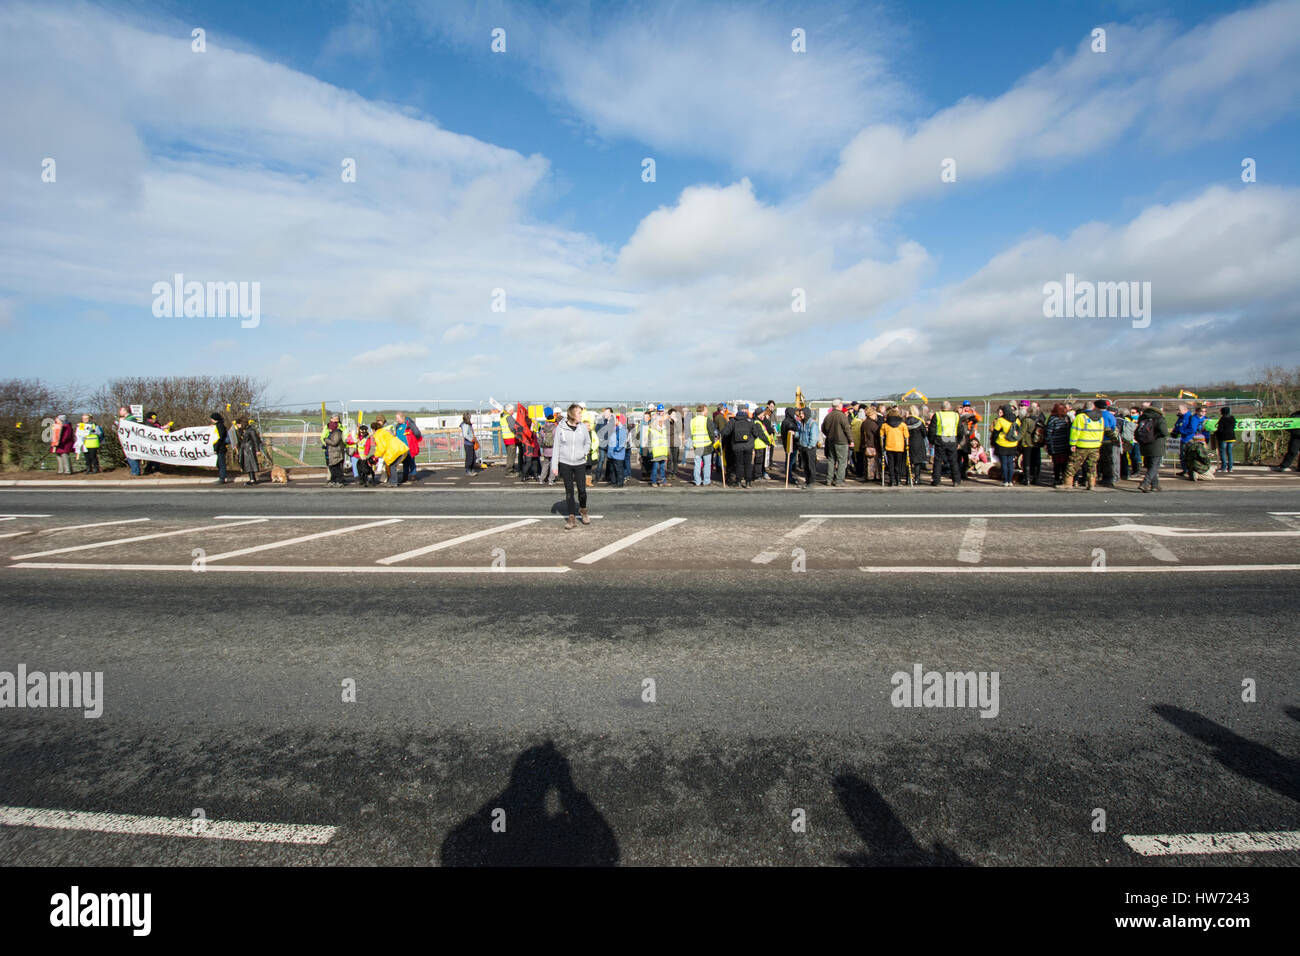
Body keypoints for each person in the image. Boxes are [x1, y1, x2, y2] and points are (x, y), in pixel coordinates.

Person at [551, 404, 593, 529]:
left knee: (582, 491)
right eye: (579, 413)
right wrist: (555, 465)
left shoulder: (583, 428)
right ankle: (571, 517)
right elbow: (556, 447)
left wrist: (584, 453)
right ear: (572, 415)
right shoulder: (561, 428)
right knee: (569, 491)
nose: (581, 415)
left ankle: (583, 510)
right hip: (565, 463)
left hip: (580, 462)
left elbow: (588, 442)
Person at [1058, 402, 1105, 490]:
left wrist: (1073, 443)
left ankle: (1067, 484)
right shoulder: (1100, 418)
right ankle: (1091, 484)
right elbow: (1101, 431)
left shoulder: (1081, 417)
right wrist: (1099, 443)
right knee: (1092, 466)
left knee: (1072, 465)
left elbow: (1075, 431)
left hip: (1082, 445)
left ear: (1084, 407)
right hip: (1095, 445)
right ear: (1093, 407)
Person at [721, 403, 758, 488]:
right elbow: (756, 433)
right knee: (748, 464)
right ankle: (748, 482)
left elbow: (725, 432)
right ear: (745, 411)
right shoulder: (750, 421)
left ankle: (738, 481)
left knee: (739, 464)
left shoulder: (733, 421)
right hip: (748, 445)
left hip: (737, 446)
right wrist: (751, 440)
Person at [1134, 403, 1168, 492]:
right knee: (1155, 466)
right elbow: (1164, 432)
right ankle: (1145, 483)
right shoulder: (1159, 418)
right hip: (1157, 445)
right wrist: (1156, 436)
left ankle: (1155, 485)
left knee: (1150, 466)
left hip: (1144, 444)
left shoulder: (1142, 417)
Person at [929, 401, 961, 486]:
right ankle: (956, 481)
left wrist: (931, 441)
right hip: (952, 438)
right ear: (949, 407)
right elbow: (960, 429)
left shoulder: (938, 415)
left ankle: (936, 480)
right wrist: (959, 441)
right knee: (953, 461)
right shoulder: (955, 415)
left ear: (941, 408)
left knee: (938, 461)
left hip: (940, 438)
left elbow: (932, 429)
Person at [821, 400, 852, 486]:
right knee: (842, 462)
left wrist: (828, 435)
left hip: (831, 441)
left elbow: (823, 428)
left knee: (831, 460)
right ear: (838, 406)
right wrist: (851, 440)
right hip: (842, 441)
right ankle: (839, 481)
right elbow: (847, 429)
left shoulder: (828, 416)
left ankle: (829, 480)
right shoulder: (842, 416)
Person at [989, 405, 1021, 487]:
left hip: (1002, 444)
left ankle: (1005, 480)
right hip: (1013, 444)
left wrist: (993, 442)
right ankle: (1010, 481)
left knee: (1004, 463)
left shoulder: (1001, 420)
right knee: (1010, 463)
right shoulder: (1017, 420)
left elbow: (995, 432)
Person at [371, 419, 409, 487]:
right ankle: (392, 481)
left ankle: (393, 482)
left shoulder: (378, 435)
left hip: (395, 451)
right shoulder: (383, 431)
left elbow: (382, 447)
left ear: (374, 429)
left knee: (392, 466)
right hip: (400, 448)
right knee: (391, 465)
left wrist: (376, 456)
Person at [879, 407, 909, 487]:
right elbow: (906, 436)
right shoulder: (902, 425)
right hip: (899, 447)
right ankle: (898, 480)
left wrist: (882, 445)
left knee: (891, 464)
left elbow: (881, 435)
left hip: (889, 446)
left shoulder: (885, 425)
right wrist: (907, 444)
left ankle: (891, 480)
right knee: (898, 464)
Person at [1044, 404, 1072, 486]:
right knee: (1064, 463)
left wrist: (1047, 443)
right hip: (1065, 443)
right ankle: (1064, 478)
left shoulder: (1053, 419)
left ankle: (1057, 479)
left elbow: (1049, 432)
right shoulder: (1067, 418)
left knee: (1057, 463)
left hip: (1055, 444)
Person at [690, 404, 717, 486]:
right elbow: (711, 433)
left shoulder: (693, 420)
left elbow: (691, 433)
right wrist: (713, 442)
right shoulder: (706, 420)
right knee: (707, 464)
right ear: (702, 411)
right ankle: (706, 481)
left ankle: (697, 481)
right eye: (706, 410)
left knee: (697, 464)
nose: (707, 411)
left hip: (697, 445)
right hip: (706, 445)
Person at [1018, 403, 1045, 485]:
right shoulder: (1040, 420)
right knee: (1036, 461)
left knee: (1027, 461)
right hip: (1036, 443)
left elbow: (1022, 432)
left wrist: (1016, 441)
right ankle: (1036, 478)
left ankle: (1027, 479)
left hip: (1027, 443)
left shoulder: (1027, 420)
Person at [797, 406, 819, 489]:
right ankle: (807, 480)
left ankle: (811, 481)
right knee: (805, 465)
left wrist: (810, 446)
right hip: (803, 446)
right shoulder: (803, 423)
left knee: (811, 465)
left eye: (802, 413)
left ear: (806, 414)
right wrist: (794, 434)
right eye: (800, 413)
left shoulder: (812, 423)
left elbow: (814, 436)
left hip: (809, 448)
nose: (801, 415)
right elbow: (800, 434)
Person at [904, 405, 927, 484]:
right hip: (918, 443)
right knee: (917, 463)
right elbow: (924, 433)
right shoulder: (919, 421)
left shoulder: (905, 422)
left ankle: (908, 479)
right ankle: (917, 479)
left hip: (908, 443)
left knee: (908, 462)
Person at [237, 417, 264, 484]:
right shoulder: (242, 430)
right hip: (244, 448)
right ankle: (252, 479)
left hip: (249, 449)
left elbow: (255, 440)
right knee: (246, 464)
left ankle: (252, 479)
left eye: (239, 424)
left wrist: (257, 450)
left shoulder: (251, 430)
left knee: (250, 464)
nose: (238, 425)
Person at [648, 409, 670, 486]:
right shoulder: (652, 430)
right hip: (656, 452)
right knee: (655, 468)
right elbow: (650, 441)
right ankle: (653, 481)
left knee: (663, 468)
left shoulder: (664, 429)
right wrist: (651, 451)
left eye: (662, 420)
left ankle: (662, 481)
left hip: (663, 452)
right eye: (660, 421)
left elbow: (665, 441)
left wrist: (667, 451)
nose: (661, 422)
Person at [323, 416, 346, 486]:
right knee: (332, 468)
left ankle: (339, 481)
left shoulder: (337, 432)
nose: (329, 429)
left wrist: (326, 440)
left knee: (336, 468)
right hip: (331, 452)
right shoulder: (332, 432)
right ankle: (333, 481)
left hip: (336, 453)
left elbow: (334, 442)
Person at [607, 413, 629, 487]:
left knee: (619, 469)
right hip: (612, 453)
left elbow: (622, 442)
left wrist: (616, 449)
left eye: (616, 419)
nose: (614, 420)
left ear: (619, 420)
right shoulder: (615, 428)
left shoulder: (622, 429)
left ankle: (620, 483)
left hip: (618, 453)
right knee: (613, 469)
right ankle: (614, 481)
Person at [1213, 406, 1237, 474]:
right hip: (1231, 437)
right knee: (1229, 452)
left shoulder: (1222, 419)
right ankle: (1230, 467)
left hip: (1223, 437)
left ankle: (1224, 467)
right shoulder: (1232, 418)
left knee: (1223, 452)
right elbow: (1234, 426)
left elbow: (1220, 429)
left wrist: (1216, 433)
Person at [208, 412, 230, 484]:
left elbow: (219, 438)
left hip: (220, 448)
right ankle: (222, 477)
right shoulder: (219, 425)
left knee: (221, 463)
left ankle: (222, 478)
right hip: (220, 447)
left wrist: (216, 448)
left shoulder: (220, 427)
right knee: (219, 463)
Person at [538, 408, 558, 485]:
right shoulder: (555, 428)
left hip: (546, 449)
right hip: (553, 449)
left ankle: (541, 479)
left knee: (545, 464)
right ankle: (551, 480)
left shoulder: (543, 429)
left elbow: (540, 439)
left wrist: (542, 447)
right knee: (553, 465)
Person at [500, 405, 518, 474]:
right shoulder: (509, 417)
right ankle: (510, 470)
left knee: (509, 454)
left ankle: (510, 469)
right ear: (510, 410)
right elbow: (513, 428)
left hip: (506, 438)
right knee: (511, 455)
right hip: (511, 438)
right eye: (513, 410)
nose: (513, 412)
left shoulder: (503, 417)